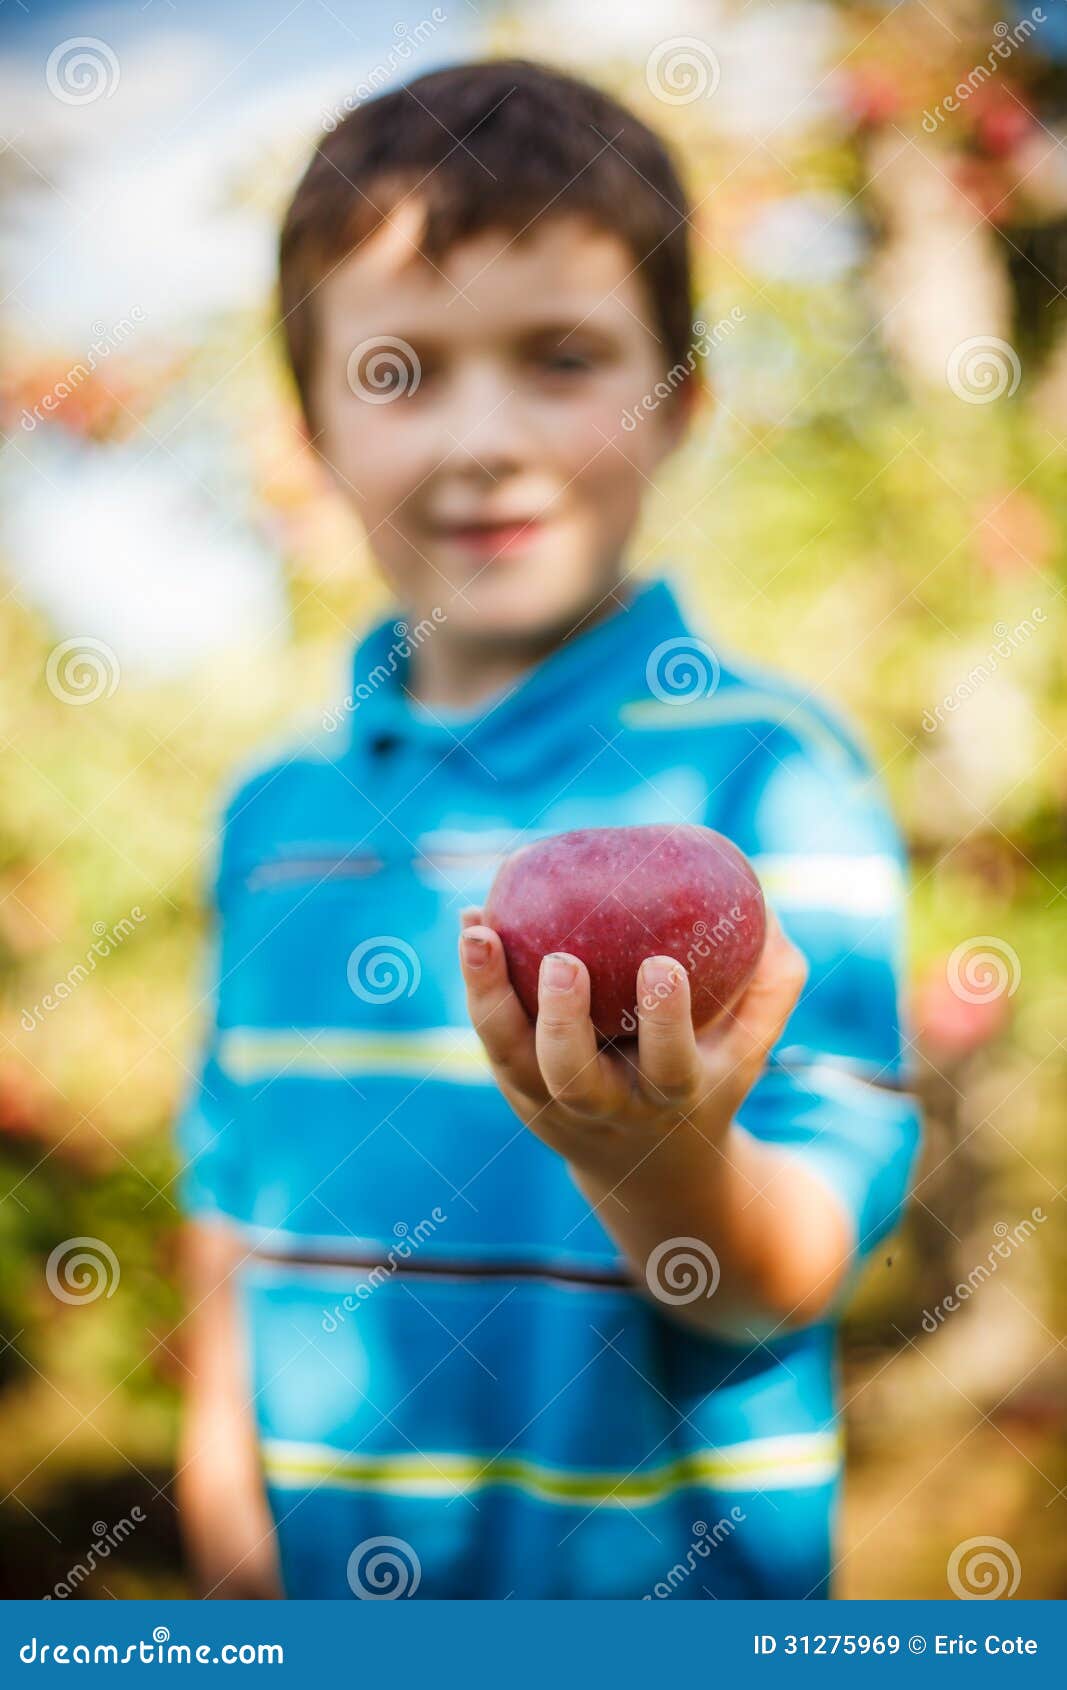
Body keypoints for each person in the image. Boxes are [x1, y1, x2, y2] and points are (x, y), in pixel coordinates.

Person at [175, 58, 921, 1600]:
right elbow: (233, 1179)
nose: (484, 438)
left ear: (683, 398)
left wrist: (661, 1164)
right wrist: (220, 1478)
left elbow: (795, 1265)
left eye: (563, 358)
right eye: (401, 373)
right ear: (311, 427)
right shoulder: (272, 814)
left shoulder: (771, 781)